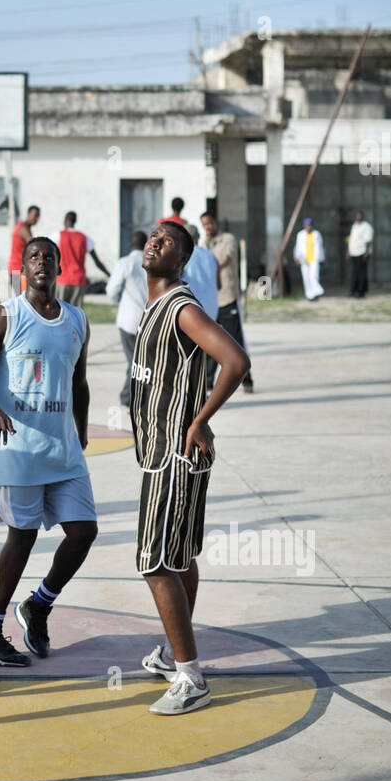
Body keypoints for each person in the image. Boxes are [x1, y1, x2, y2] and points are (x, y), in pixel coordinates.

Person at [132, 219, 249, 715]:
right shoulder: (155, 306)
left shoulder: (181, 308)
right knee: (179, 558)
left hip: (173, 456)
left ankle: (190, 677)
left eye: (169, 242)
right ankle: (172, 654)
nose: (156, 243)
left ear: (181, 260)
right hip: (165, 456)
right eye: (153, 236)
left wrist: (199, 419)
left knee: (155, 562)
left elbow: (235, 359)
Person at [0, 236, 98, 665]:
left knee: (84, 532)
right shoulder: (5, 317)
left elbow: (79, 382)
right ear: (23, 269)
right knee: (20, 539)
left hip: (63, 449)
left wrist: (81, 430)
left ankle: (38, 604)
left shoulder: (77, 320)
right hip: (17, 450)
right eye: (34, 257)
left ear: (60, 267)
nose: (42, 262)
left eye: (49, 257)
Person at [200, 212, 254, 393]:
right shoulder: (203, 244)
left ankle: (247, 380)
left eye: (209, 223)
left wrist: (212, 266)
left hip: (227, 297)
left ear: (215, 222)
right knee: (212, 342)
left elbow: (227, 258)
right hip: (210, 301)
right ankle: (207, 382)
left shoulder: (228, 239)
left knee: (235, 341)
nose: (207, 227)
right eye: (204, 225)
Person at [106, 230, 148, 406]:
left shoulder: (125, 263)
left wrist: (118, 301)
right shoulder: (152, 262)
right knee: (143, 360)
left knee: (134, 360)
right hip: (149, 319)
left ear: (130, 244)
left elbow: (112, 290)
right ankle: (135, 396)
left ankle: (128, 397)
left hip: (129, 319)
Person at [50, 211, 111, 307]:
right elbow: (97, 261)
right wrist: (109, 275)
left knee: (59, 311)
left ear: (65, 221)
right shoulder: (84, 238)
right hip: (78, 280)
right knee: (75, 313)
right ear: (75, 221)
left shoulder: (58, 235)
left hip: (62, 279)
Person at [182, 224, 219, 319]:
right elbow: (219, 284)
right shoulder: (211, 255)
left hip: (193, 311)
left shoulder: (183, 256)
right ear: (198, 237)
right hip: (213, 310)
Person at [7, 205, 40, 297]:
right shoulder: (23, 228)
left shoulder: (24, 227)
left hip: (17, 270)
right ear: (28, 214)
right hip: (19, 270)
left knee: (24, 300)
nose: (36, 218)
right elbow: (34, 246)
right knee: (26, 300)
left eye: (38, 216)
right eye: (35, 215)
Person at [293, 218, 325, 300]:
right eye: (306, 225)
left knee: (313, 276)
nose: (308, 227)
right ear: (304, 226)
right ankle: (309, 295)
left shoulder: (317, 234)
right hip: (304, 260)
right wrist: (296, 258)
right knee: (306, 278)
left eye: (309, 225)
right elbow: (297, 247)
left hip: (314, 259)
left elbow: (321, 247)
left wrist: (322, 258)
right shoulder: (300, 235)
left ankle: (317, 291)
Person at [347, 210, 374, 298]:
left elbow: (368, 240)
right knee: (354, 273)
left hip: (362, 253)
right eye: (357, 216)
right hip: (354, 252)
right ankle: (353, 291)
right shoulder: (355, 225)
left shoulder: (366, 226)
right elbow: (351, 239)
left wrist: (366, 253)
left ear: (362, 216)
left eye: (359, 216)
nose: (358, 217)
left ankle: (361, 292)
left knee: (361, 273)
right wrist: (348, 251)